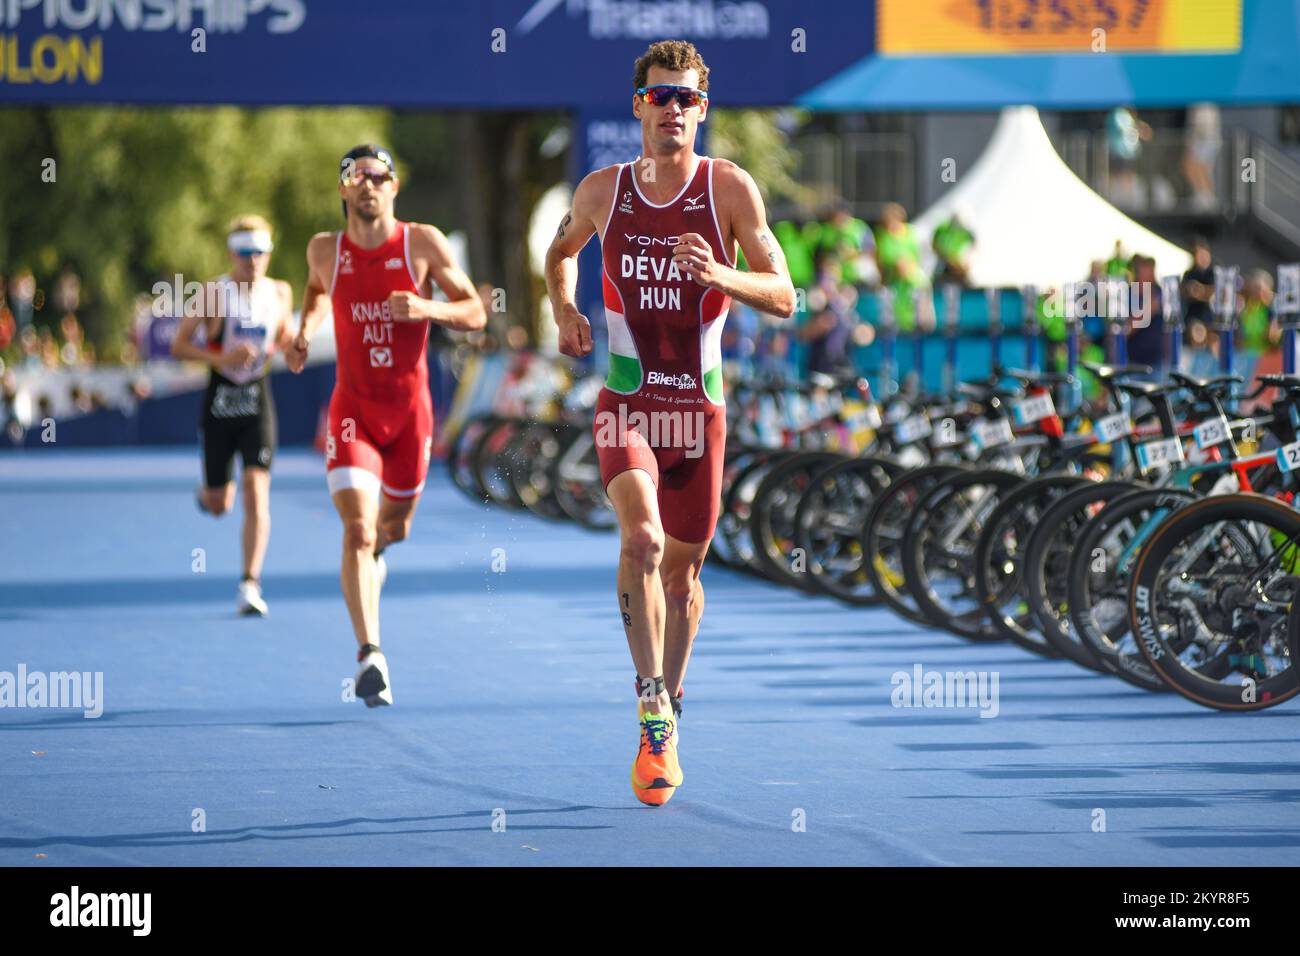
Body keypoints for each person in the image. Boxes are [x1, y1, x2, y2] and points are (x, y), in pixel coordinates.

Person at [544, 39, 795, 805]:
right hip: (628, 403)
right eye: (660, 97)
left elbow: (786, 295)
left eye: (687, 98)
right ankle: (650, 700)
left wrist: (720, 273)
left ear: (704, 108)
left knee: (684, 574)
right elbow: (558, 255)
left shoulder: (730, 190)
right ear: (638, 107)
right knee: (642, 539)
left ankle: (671, 707)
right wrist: (563, 308)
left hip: (701, 413)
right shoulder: (602, 191)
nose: (674, 110)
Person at [286, 145, 485, 708]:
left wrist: (428, 310)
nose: (368, 184)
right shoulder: (325, 249)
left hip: (410, 415)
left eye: (379, 175)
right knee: (358, 528)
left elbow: (475, 310)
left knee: (392, 531)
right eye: (356, 175)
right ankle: (370, 652)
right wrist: (303, 331)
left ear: (394, 187)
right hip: (353, 412)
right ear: (344, 189)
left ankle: (373, 565)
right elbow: (316, 291)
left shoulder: (420, 243)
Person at [171, 215, 295, 616]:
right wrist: (221, 357)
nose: (253, 261)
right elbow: (179, 345)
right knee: (221, 502)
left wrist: (295, 346)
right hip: (220, 402)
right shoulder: (214, 294)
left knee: (257, 492)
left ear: (269, 253)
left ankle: (249, 584)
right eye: (245, 253)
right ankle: (207, 493)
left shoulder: (279, 292)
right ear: (231, 254)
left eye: (259, 252)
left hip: (257, 401)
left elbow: (284, 337)